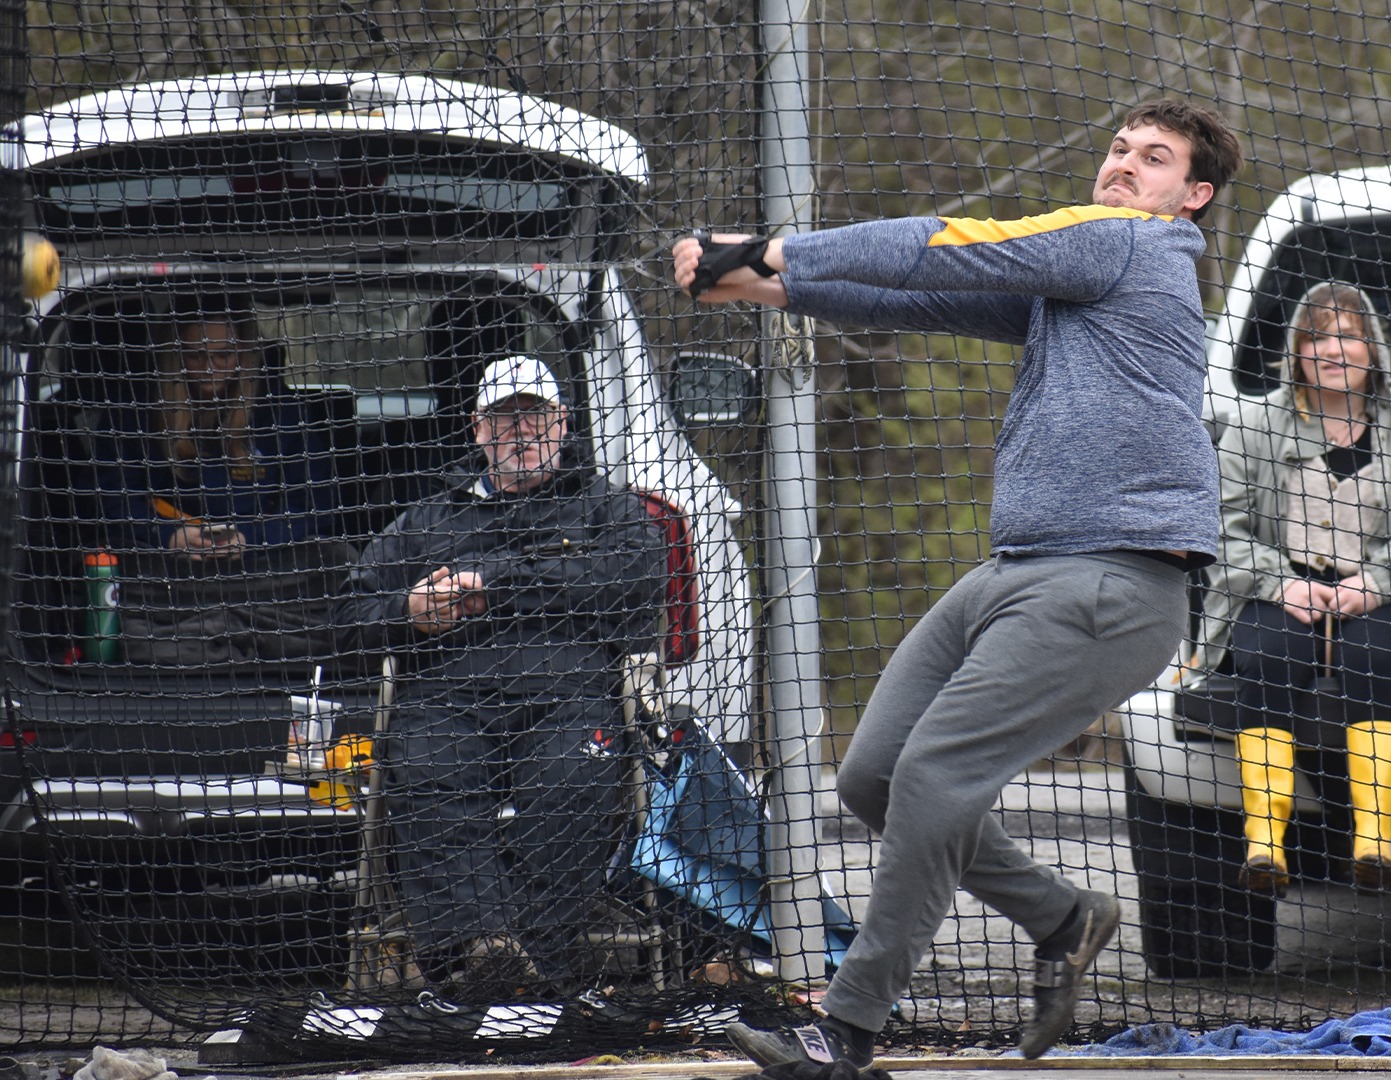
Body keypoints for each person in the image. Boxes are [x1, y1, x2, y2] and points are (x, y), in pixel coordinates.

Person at [673, 98, 1242, 1064]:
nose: (1122, 165)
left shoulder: (1129, 245)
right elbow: (915, 298)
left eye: (1154, 158)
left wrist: (764, 247)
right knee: (874, 777)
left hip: (1113, 581)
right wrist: (761, 286)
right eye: (1117, 148)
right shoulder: (1082, 284)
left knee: (935, 776)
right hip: (1020, 567)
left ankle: (846, 1032)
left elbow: (939, 242)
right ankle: (1063, 917)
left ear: (1191, 198)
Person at [333, 354, 668, 999]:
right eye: (505, 419)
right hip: (447, 701)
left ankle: (529, 962)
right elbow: (347, 619)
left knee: (573, 780)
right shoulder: (427, 521)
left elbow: (638, 581)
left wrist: (495, 586)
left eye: (535, 416)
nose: (522, 432)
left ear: (563, 423)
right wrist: (409, 613)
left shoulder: (608, 507)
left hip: (569, 700)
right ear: (478, 430)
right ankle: (481, 952)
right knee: (427, 771)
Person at [1190, 282, 1391, 897]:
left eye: (1348, 337)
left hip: (1386, 596)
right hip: (1274, 592)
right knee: (1269, 656)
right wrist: (1279, 583)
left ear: (1374, 348)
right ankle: (1264, 845)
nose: (1334, 351)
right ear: (1296, 352)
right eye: (1317, 338)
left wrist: (1379, 581)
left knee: (1374, 656)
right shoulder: (1251, 427)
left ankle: (1372, 842)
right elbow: (1219, 526)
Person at [93, 303, 343, 665]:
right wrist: (169, 536)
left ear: (243, 353)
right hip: (171, 574)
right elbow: (110, 497)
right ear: (176, 355)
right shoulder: (135, 409)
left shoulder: (278, 410)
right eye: (197, 356)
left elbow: (315, 503)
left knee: (337, 559)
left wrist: (250, 537)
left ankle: (214, 629)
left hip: (260, 570)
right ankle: (238, 629)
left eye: (224, 355)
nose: (210, 367)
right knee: (107, 568)